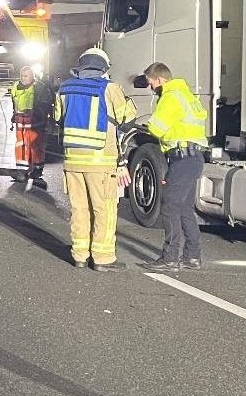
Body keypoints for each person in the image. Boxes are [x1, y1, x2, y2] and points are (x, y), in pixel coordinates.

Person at [55, 48, 138, 271]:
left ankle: (80, 254)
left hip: (72, 161)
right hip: (101, 162)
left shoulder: (65, 88)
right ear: (103, 68)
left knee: (79, 208)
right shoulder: (109, 88)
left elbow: (57, 118)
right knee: (104, 209)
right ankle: (103, 258)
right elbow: (127, 118)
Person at [138, 62, 210, 273]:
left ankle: (170, 258)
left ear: (159, 79)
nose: (151, 87)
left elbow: (156, 127)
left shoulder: (170, 96)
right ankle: (192, 256)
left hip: (182, 158)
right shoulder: (186, 94)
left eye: (151, 83)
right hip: (193, 157)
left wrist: (140, 126)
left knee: (169, 206)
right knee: (184, 208)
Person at [7, 65, 52, 189]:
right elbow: (14, 102)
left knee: (36, 147)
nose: (23, 78)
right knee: (20, 146)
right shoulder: (16, 86)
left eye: (26, 76)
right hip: (21, 122)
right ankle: (21, 171)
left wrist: (38, 115)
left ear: (32, 76)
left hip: (35, 123)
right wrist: (14, 115)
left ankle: (37, 171)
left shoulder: (40, 88)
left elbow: (46, 105)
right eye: (21, 76)